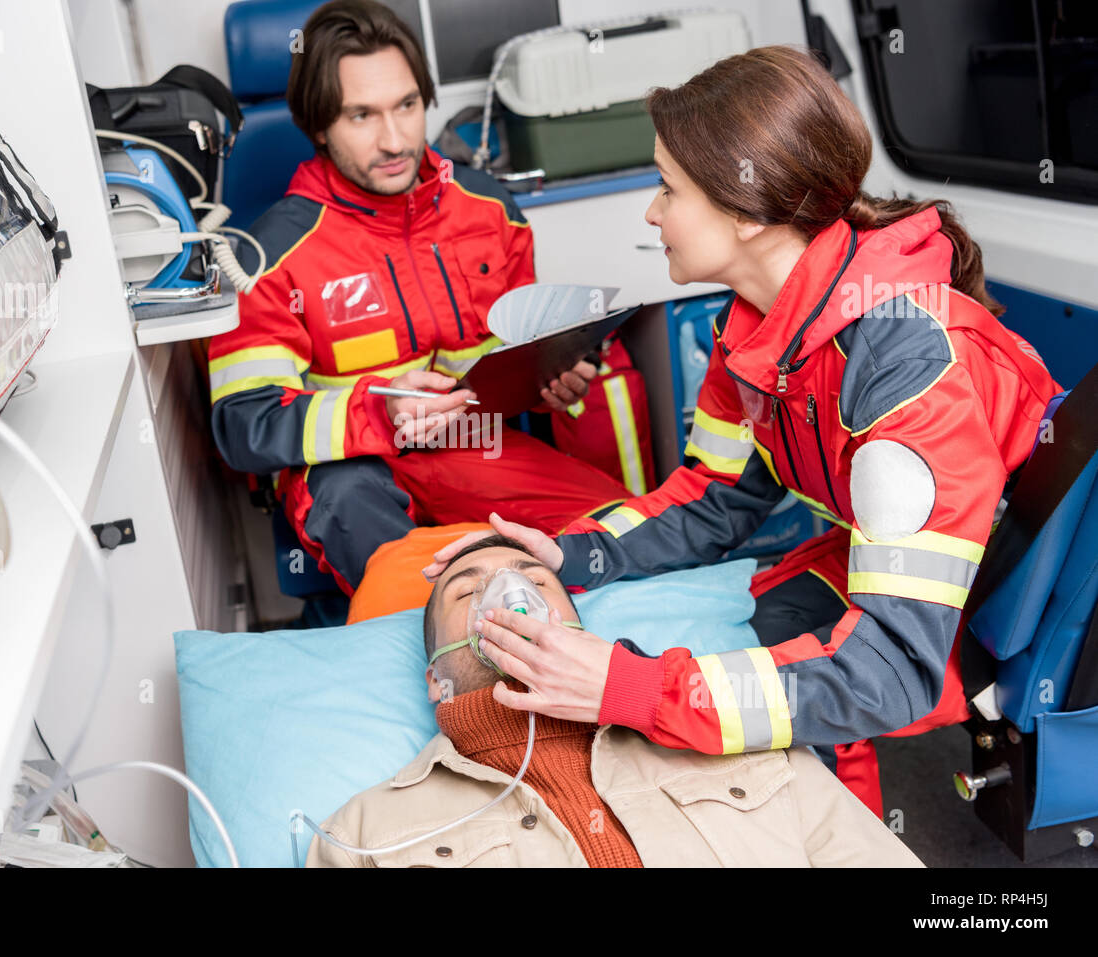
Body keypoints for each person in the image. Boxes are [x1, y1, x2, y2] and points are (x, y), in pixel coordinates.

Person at [422, 45, 1063, 817]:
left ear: (749, 211)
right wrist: (572, 549)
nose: (651, 212)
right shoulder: (754, 336)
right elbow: (717, 495)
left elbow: (891, 667)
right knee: (760, 639)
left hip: (1016, 594)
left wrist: (629, 687)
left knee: (771, 689)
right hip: (930, 560)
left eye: (668, 188)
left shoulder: (907, 369)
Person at [207, 0, 636, 595]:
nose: (393, 140)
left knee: (620, 535)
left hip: (473, 445)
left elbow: (515, 353)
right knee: (420, 596)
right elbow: (242, 424)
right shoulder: (265, 257)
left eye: (406, 106)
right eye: (361, 116)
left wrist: (552, 381)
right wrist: (380, 410)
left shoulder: (490, 212)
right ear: (319, 126)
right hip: (349, 474)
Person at [306, 536, 923, 867]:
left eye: (538, 582)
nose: (509, 595)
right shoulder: (365, 834)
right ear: (433, 677)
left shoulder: (731, 740)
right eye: (468, 593)